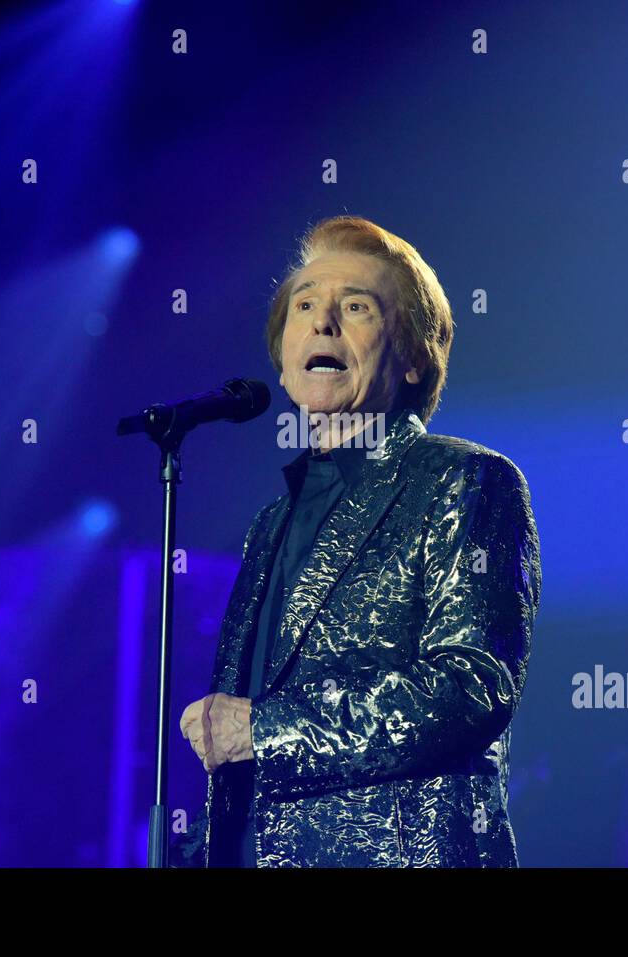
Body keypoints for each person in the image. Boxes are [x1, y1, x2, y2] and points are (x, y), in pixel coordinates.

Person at [176, 215, 541, 867]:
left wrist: (263, 728)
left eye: (355, 306)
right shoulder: (270, 527)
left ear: (414, 357)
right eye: (305, 305)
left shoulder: (462, 480)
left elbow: (471, 685)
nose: (322, 322)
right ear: (283, 366)